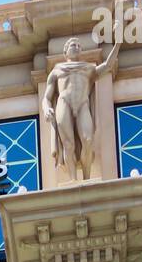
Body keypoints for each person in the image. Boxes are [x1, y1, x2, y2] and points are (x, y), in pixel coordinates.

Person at [42, 35, 121, 181]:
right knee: (68, 144)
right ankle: (73, 179)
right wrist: (46, 109)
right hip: (64, 103)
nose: (76, 47)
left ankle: (86, 178)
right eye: (73, 44)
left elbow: (108, 65)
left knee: (88, 139)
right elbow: (47, 97)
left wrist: (118, 44)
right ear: (65, 51)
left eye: (79, 45)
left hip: (83, 103)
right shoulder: (57, 71)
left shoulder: (88, 69)